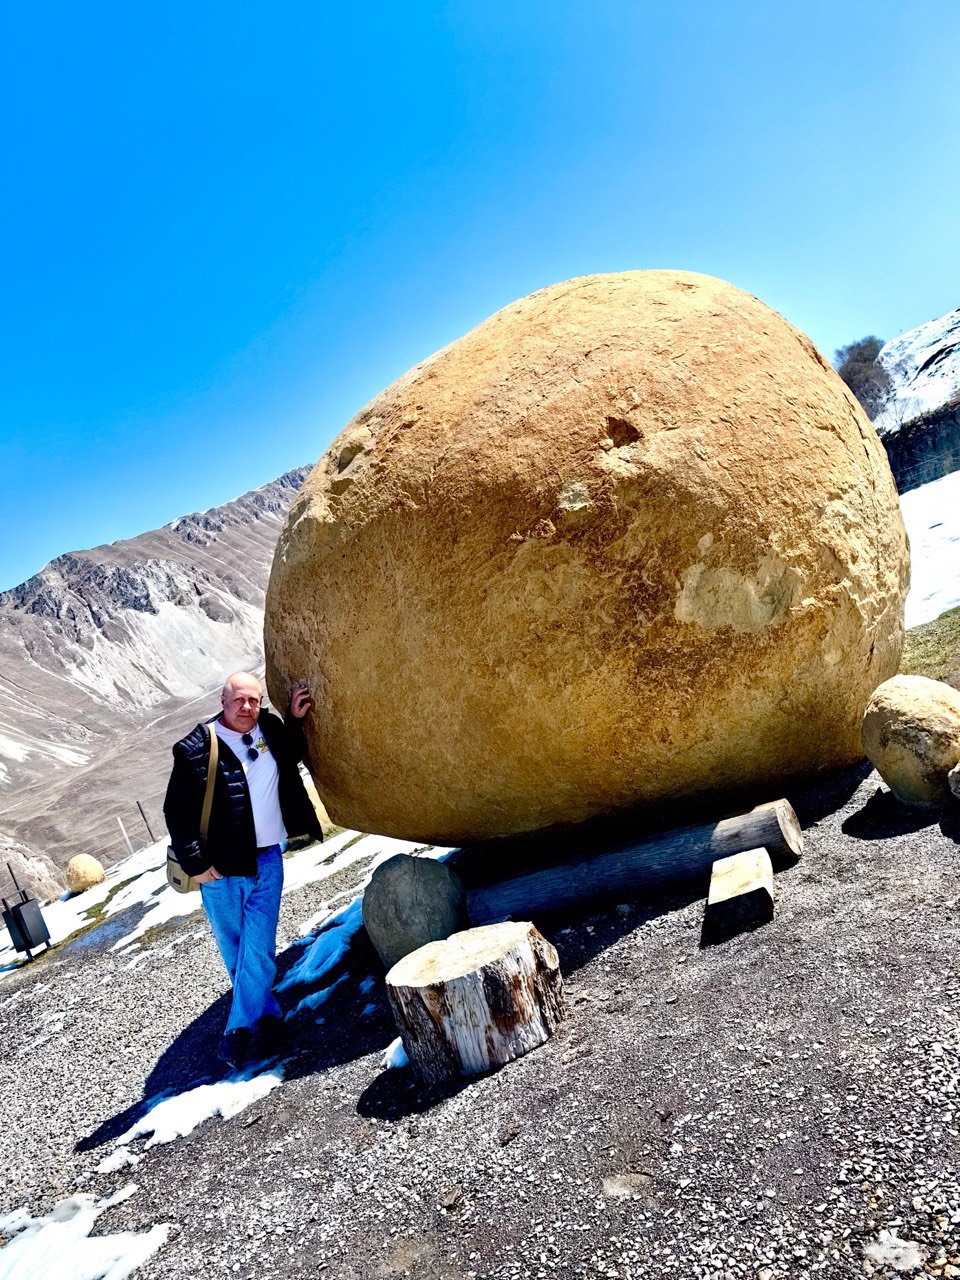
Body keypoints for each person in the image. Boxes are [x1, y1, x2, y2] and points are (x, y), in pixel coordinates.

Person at [163, 671, 323, 1068]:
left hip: (268, 859)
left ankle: (237, 1032)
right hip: (219, 871)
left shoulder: (268, 727)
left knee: (261, 948)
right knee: (238, 952)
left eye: (254, 700)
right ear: (222, 700)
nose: (247, 707)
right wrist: (196, 863)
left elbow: (289, 755)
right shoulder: (196, 748)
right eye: (239, 700)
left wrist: (293, 718)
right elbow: (176, 813)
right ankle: (267, 1018)